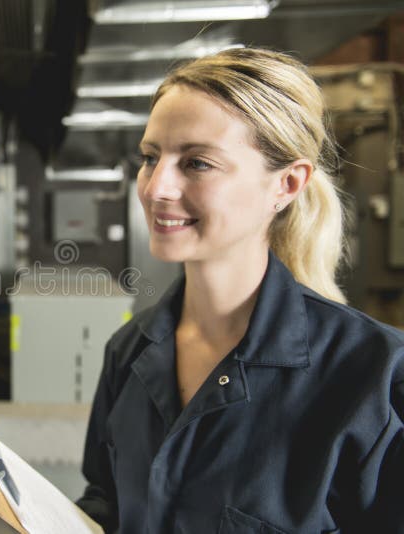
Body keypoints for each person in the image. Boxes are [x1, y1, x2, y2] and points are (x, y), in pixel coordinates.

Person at [77, 47, 404, 533]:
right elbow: (107, 503)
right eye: (150, 157)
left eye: (197, 163)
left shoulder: (373, 375)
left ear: (287, 184)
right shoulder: (130, 353)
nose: (155, 187)